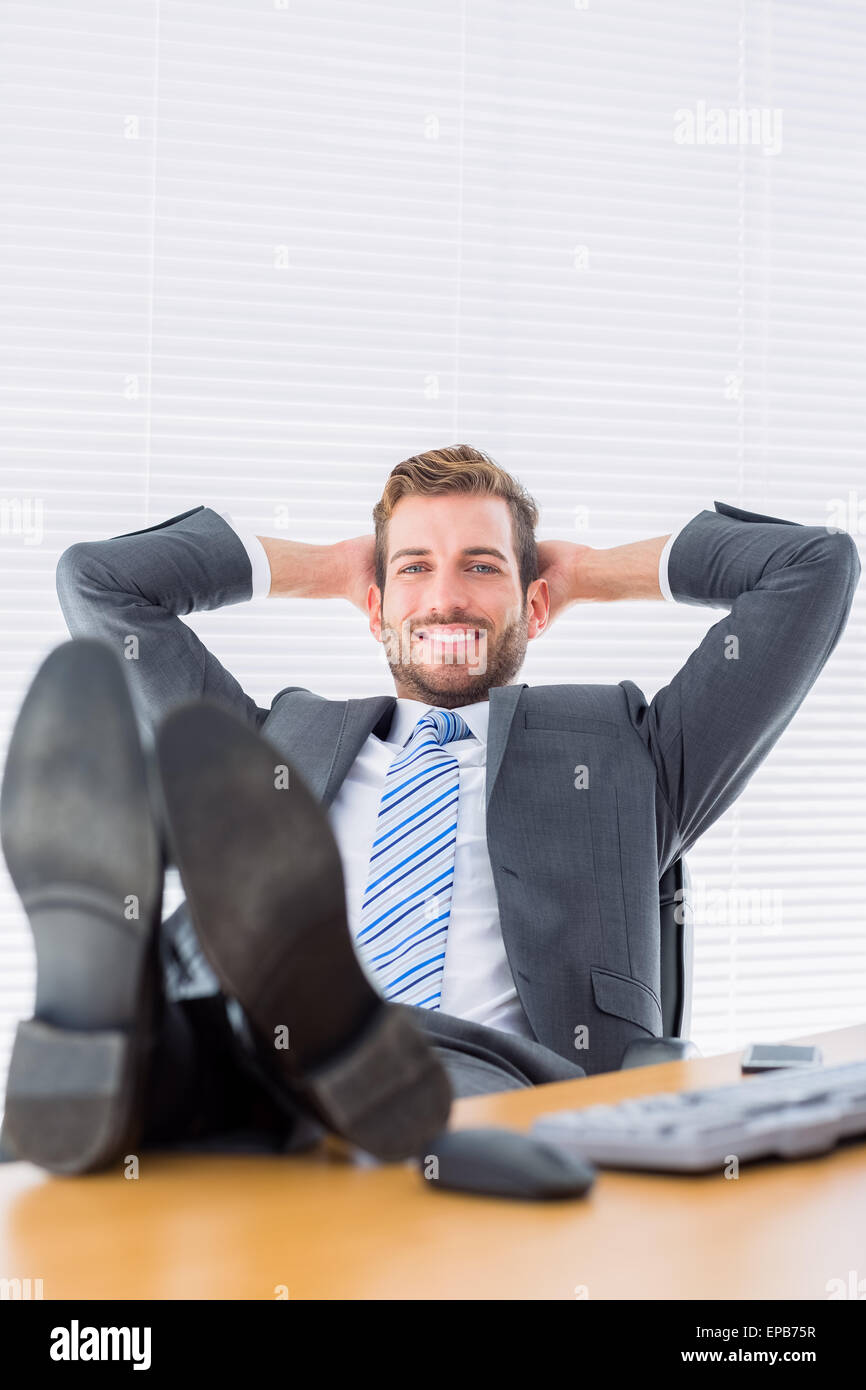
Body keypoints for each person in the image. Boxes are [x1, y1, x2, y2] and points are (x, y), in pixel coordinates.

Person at [0, 445, 860, 1174]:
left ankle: (254, 1047)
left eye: (482, 566)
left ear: (532, 602)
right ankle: (119, 1024)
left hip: (493, 1082)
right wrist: (327, 568)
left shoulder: (630, 749)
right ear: (375, 605)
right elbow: (101, 582)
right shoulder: (279, 742)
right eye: (414, 568)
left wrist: (593, 573)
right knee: (185, 1059)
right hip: (264, 1063)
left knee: (397, 1080)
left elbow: (811, 568)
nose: (445, 597)